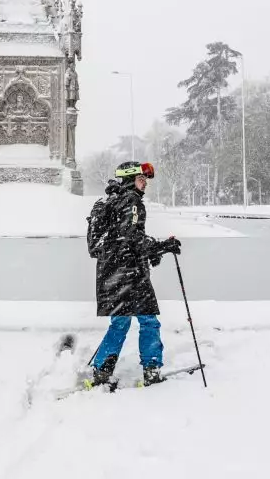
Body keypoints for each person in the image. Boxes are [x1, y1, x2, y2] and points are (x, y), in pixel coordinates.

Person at [87, 160, 181, 388]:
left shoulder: (112, 200)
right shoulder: (131, 201)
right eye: (141, 180)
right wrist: (161, 247)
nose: (145, 184)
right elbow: (132, 237)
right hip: (131, 275)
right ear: (130, 180)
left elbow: (121, 238)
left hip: (112, 273)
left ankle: (101, 370)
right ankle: (151, 370)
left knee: (120, 323)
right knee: (149, 321)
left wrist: (151, 252)